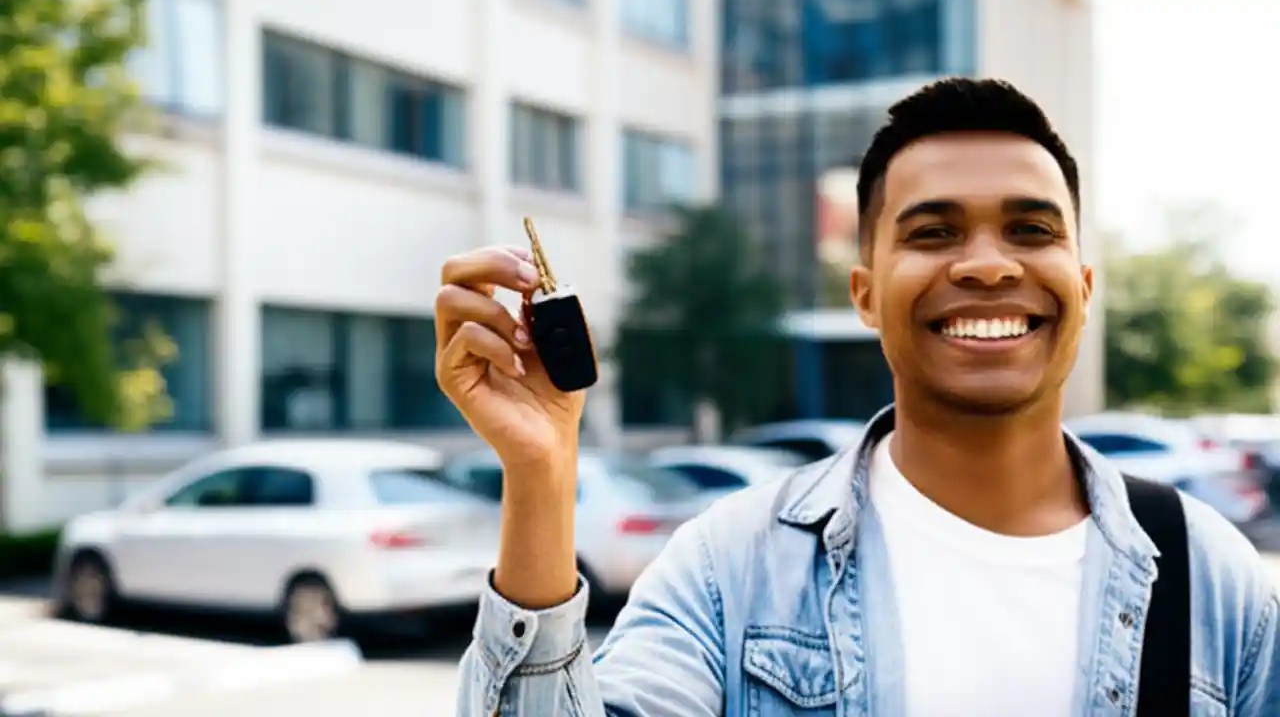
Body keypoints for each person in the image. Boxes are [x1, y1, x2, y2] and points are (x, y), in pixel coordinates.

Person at [436, 78, 1279, 716]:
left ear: (1084, 286)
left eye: (1031, 229)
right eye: (933, 231)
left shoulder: (1212, 577)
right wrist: (541, 477)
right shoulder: (731, 570)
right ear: (865, 294)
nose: (987, 263)